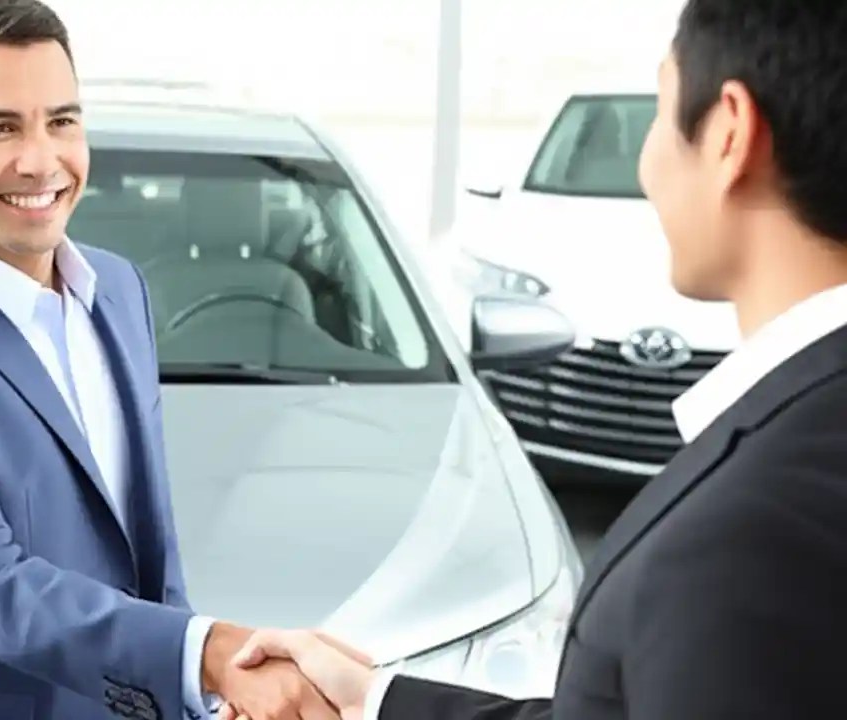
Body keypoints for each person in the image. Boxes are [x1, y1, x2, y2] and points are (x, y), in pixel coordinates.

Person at [222, 1, 847, 718]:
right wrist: (373, 701)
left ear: (730, 133)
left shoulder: (750, 534)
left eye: (661, 110)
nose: (648, 163)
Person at [0, 1, 340, 718]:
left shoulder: (117, 289)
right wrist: (208, 653)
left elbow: (146, 548)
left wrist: (197, 692)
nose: (40, 160)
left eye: (61, 120)